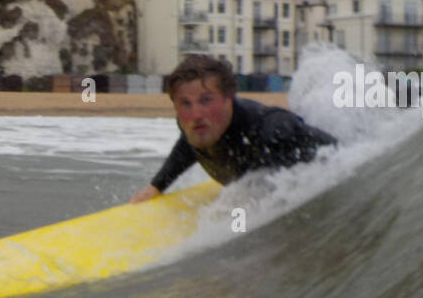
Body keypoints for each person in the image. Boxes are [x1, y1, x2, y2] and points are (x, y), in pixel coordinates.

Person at [130, 56, 338, 203]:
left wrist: (237, 226)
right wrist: (156, 187)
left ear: (228, 98)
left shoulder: (269, 131)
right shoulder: (193, 124)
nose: (195, 114)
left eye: (206, 100)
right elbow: (187, 146)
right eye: (185, 103)